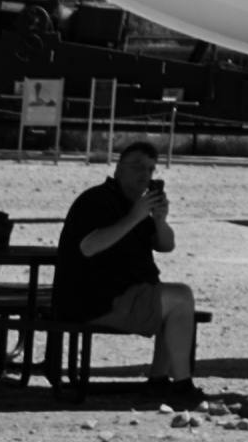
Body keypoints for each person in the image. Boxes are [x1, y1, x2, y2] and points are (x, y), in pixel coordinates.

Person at [50, 139, 201, 405]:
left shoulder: (136, 205)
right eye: (137, 167)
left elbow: (166, 245)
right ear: (118, 169)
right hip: (95, 299)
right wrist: (134, 216)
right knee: (180, 299)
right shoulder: (97, 200)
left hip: (124, 294)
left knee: (177, 300)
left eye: (151, 169)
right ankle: (181, 385)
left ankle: (159, 381)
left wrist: (159, 220)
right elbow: (88, 246)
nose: (145, 174)